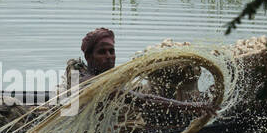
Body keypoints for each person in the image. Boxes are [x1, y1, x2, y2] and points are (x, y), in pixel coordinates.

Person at [63, 27, 214, 122]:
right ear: (88, 57)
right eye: (102, 52)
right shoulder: (88, 81)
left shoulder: (104, 77)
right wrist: (190, 107)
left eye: (112, 51)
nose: (109, 56)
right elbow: (143, 99)